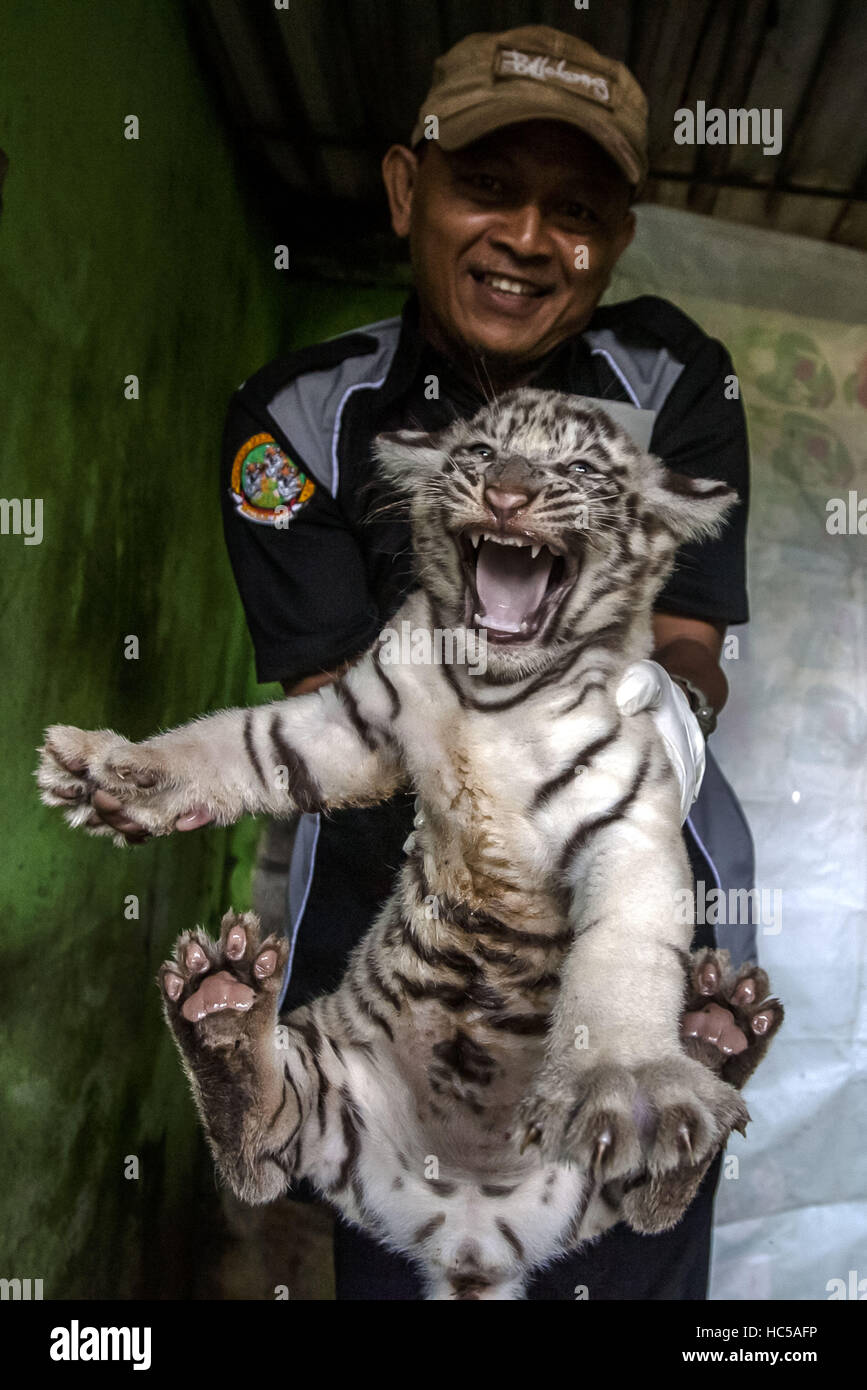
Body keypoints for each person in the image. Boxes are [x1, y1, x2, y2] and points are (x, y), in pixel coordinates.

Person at [91, 26, 760, 1298]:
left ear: (617, 237)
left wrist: (658, 722)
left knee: (632, 1233)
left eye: (576, 210)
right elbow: (342, 716)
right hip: (403, 927)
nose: (529, 237)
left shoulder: (675, 375)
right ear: (407, 190)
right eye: (488, 187)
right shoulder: (301, 418)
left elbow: (688, 638)